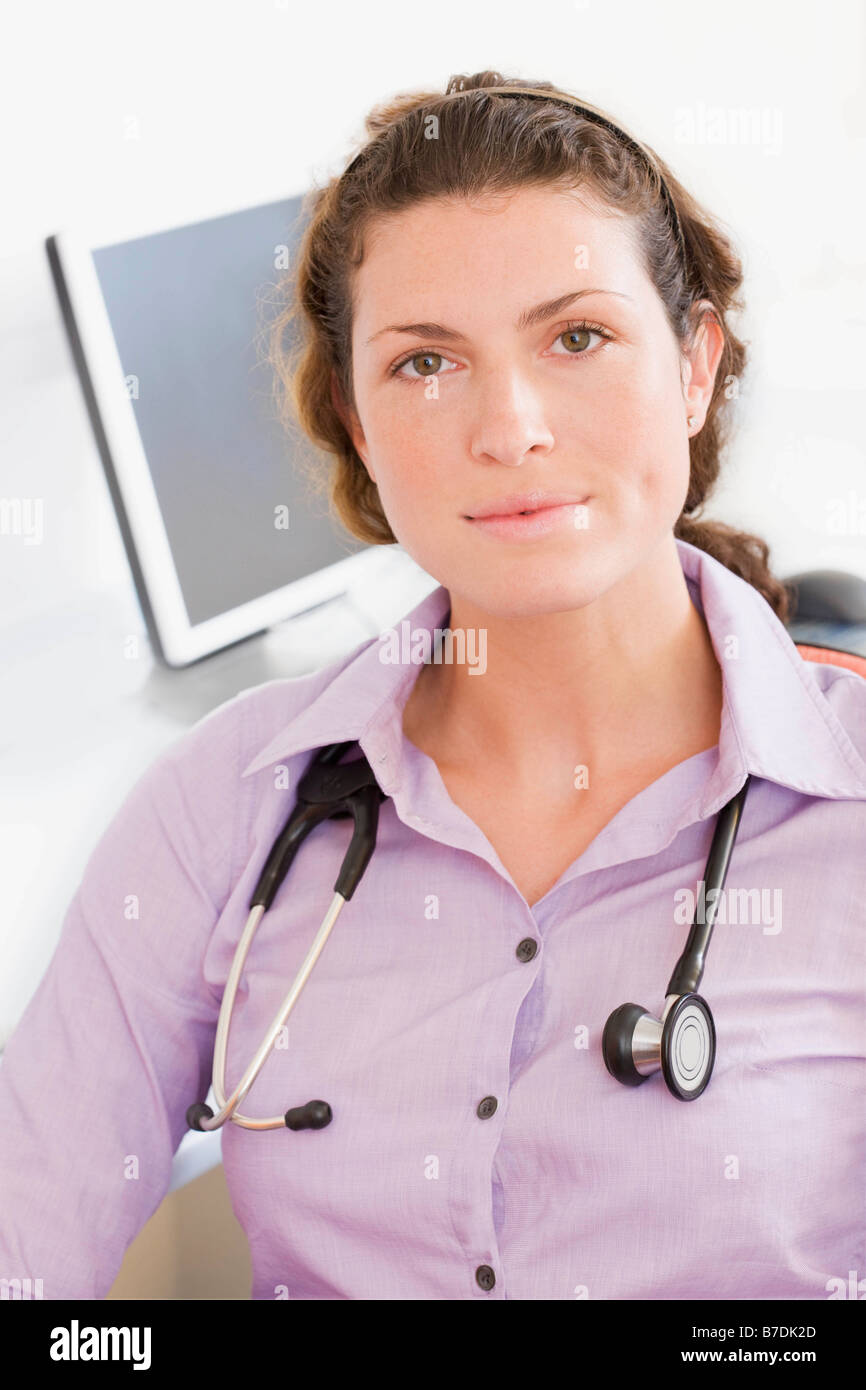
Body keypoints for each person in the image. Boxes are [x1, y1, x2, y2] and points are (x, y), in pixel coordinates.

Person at [1, 70, 865, 1302]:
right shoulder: (219, 815)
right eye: (423, 364)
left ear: (691, 362)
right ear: (355, 420)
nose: (507, 427)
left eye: (576, 336)